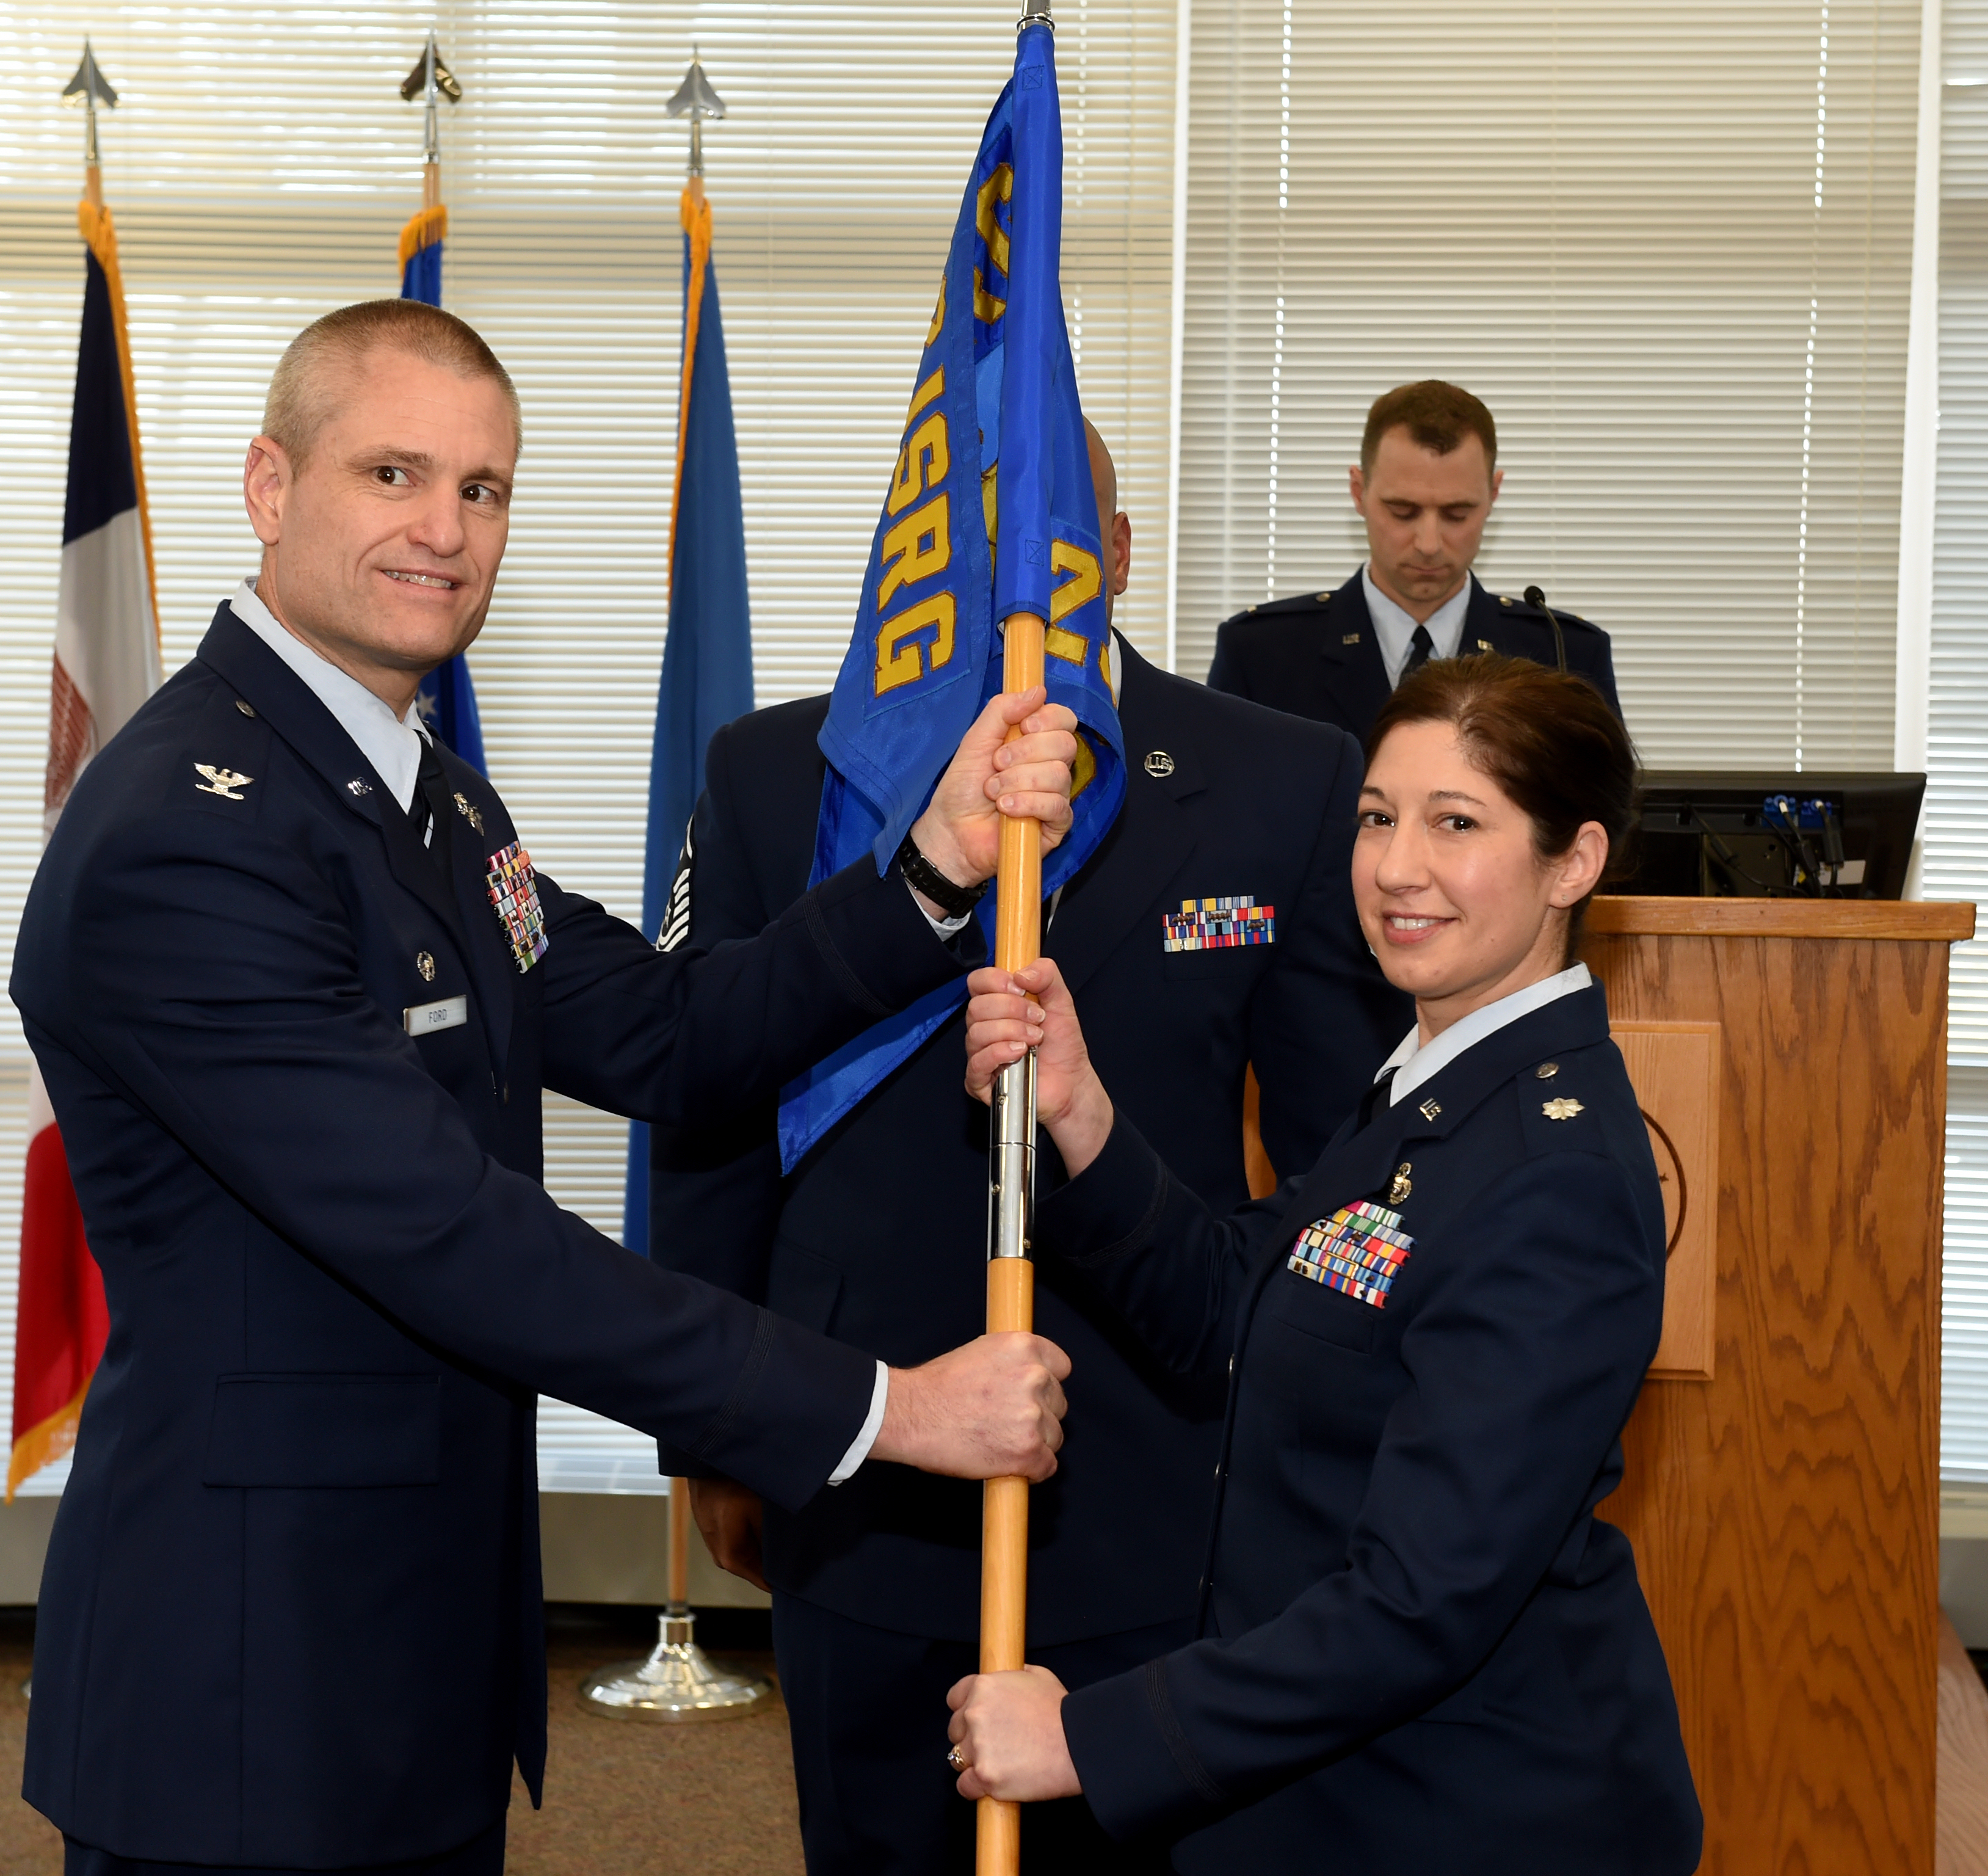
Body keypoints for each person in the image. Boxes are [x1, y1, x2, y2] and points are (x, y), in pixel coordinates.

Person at [10, 298, 1084, 1876]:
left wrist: (931, 870)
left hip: (416, 1652)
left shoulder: (425, 792)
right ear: (268, 485)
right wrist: (885, 1409)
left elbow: (666, 1029)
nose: (444, 530)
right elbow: (461, 1240)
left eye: (484, 489)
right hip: (249, 1687)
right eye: (392, 474)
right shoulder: (191, 826)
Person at [647, 424, 1404, 1873]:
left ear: (1119, 552)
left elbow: (1333, 1158)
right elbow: (709, 1111)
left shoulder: (1281, 778)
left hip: (1161, 1476)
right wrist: (725, 1428)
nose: (1024, 584)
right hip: (867, 1467)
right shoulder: (775, 779)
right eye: (984, 541)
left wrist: (1312, 1429)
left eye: (1061, 540)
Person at [949, 655, 1704, 1874]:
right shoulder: (1431, 1089)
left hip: (1469, 1819)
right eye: (1374, 817)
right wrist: (1082, 1115)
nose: (1396, 867)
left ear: (1571, 862)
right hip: (1338, 1796)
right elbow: (1240, 1312)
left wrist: (1091, 1739)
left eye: (1455, 823)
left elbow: (1418, 1602)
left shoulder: (1547, 1171)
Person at [1206, 381, 1620, 746]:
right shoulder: (1261, 655)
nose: (1428, 543)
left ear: (1494, 494)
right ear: (1358, 491)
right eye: (1402, 511)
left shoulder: (1564, 655)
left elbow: (1604, 824)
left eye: (1457, 514)